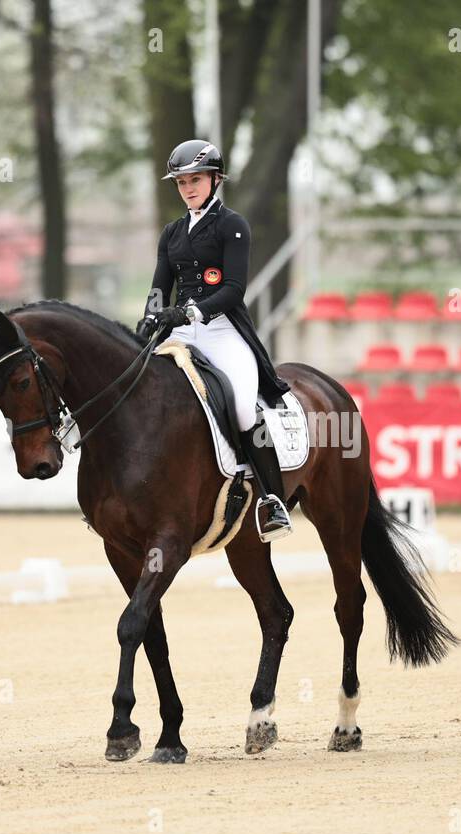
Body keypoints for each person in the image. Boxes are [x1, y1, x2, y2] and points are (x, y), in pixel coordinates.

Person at [137, 139, 294, 543]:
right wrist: (151, 315)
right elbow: (160, 287)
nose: (188, 188)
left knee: (243, 406)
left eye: (196, 180)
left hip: (222, 331)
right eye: (182, 182)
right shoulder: (171, 232)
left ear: (214, 180)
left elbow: (233, 290)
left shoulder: (231, 225)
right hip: (178, 333)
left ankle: (272, 500)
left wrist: (188, 312)